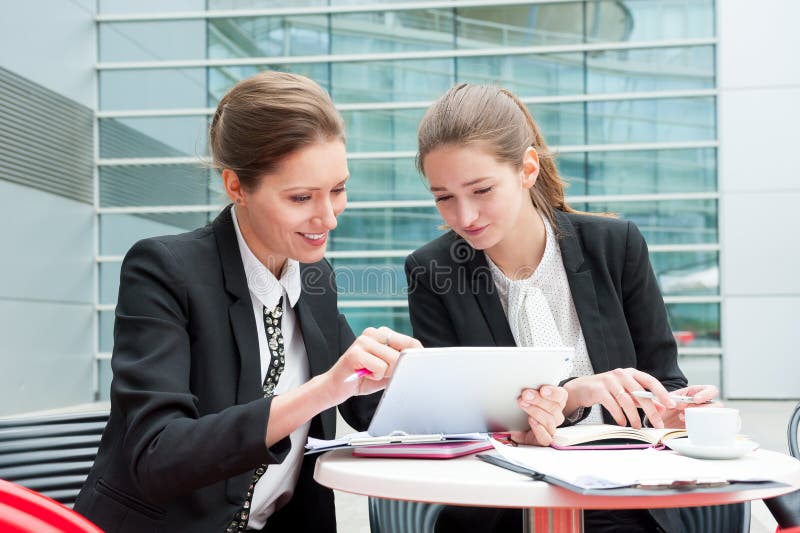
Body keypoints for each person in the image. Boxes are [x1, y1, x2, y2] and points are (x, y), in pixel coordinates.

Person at [74, 71, 420, 533]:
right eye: (301, 197)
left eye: (338, 190)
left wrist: (411, 377)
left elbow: (363, 403)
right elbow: (158, 454)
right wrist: (322, 390)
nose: (328, 218)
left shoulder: (314, 276)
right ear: (236, 186)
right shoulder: (163, 271)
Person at [405, 83, 719, 533]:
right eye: (444, 197)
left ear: (527, 169)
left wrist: (671, 411)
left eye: (482, 190)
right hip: (502, 507)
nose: (465, 216)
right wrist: (571, 396)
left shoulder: (615, 246)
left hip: (623, 498)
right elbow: (452, 417)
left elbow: (663, 380)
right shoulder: (432, 270)